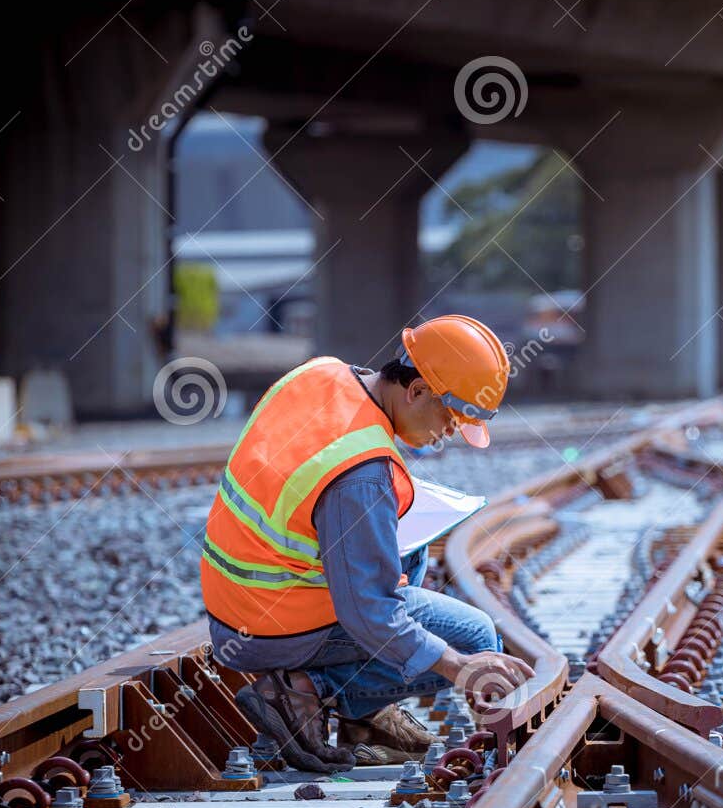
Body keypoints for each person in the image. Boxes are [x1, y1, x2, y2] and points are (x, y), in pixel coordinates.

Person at [201, 314, 534, 772]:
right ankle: (303, 690)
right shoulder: (361, 475)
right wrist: (457, 665)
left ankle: (362, 716)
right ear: (415, 391)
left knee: (407, 546)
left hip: (238, 598)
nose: (450, 434)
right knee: (476, 637)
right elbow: (368, 612)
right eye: (451, 417)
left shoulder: (322, 372)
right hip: (271, 625)